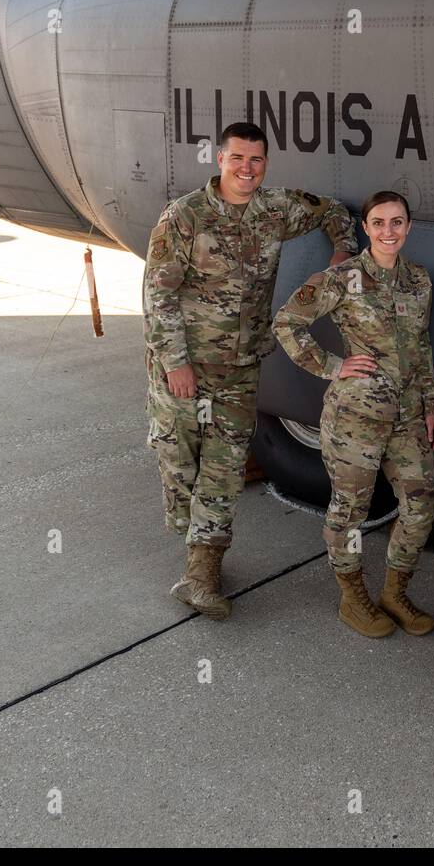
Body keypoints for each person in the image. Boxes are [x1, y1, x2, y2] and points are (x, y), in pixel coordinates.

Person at [143, 122, 356, 620]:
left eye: (256, 160)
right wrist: (176, 363)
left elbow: (333, 211)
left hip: (239, 368)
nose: (247, 169)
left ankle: (203, 571)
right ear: (219, 160)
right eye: (237, 158)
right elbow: (159, 293)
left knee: (225, 466)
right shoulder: (185, 216)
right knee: (179, 462)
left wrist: (342, 251)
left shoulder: (274, 210)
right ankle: (189, 533)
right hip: (185, 364)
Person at [274, 190, 434, 638]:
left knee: (422, 505)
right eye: (379, 223)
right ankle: (352, 597)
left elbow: (421, 348)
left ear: (409, 227)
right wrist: (333, 366)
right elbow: (287, 321)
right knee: (350, 510)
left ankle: (394, 592)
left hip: (407, 416)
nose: (389, 231)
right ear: (365, 228)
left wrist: (430, 406)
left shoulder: (419, 281)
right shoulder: (342, 278)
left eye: (398, 222)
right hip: (356, 418)